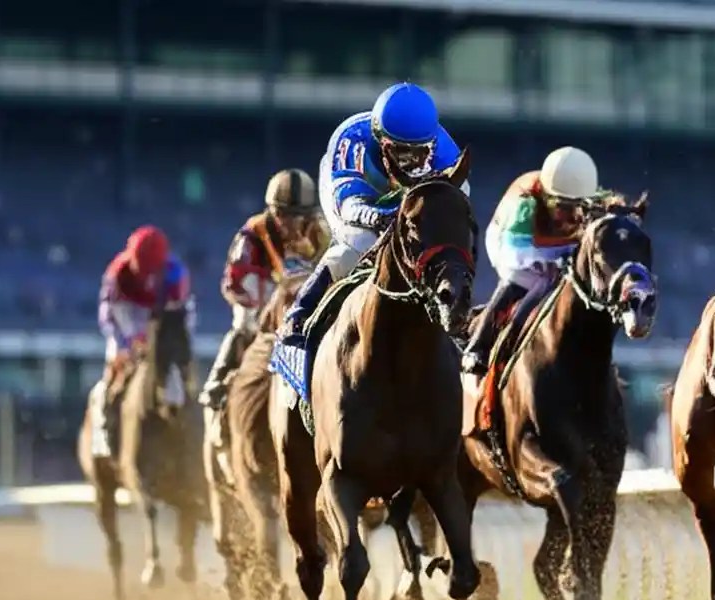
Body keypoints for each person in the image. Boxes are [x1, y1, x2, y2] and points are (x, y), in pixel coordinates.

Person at [276, 81, 470, 349]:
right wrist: (382, 217)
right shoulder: (353, 144)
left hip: (406, 204)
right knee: (357, 246)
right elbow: (348, 206)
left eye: (422, 152)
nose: (414, 163)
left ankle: (455, 314)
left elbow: (456, 203)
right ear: (381, 143)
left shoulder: (446, 154)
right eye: (403, 153)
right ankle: (299, 314)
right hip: (361, 197)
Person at [460, 146, 602, 379]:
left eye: (580, 207)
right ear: (546, 197)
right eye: (564, 208)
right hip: (510, 243)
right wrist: (561, 255)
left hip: (549, 244)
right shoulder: (525, 204)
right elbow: (517, 253)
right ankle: (478, 347)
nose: (573, 216)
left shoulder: (582, 195)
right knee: (529, 281)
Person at [197, 169, 327, 409]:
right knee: (243, 327)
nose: (290, 223)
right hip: (259, 299)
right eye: (282, 215)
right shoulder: (254, 233)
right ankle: (217, 381)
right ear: (271, 210)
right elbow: (237, 277)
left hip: (304, 299)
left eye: (298, 216)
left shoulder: (322, 233)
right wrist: (266, 301)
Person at [90, 225, 194, 456]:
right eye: (140, 266)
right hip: (126, 317)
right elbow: (108, 315)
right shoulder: (117, 273)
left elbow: (183, 317)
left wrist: (170, 344)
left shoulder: (176, 274)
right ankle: (104, 432)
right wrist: (124, 343)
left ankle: (187, 429)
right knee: (111, 378)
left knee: (177, 371)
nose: (145, 274)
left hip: (161, 318)